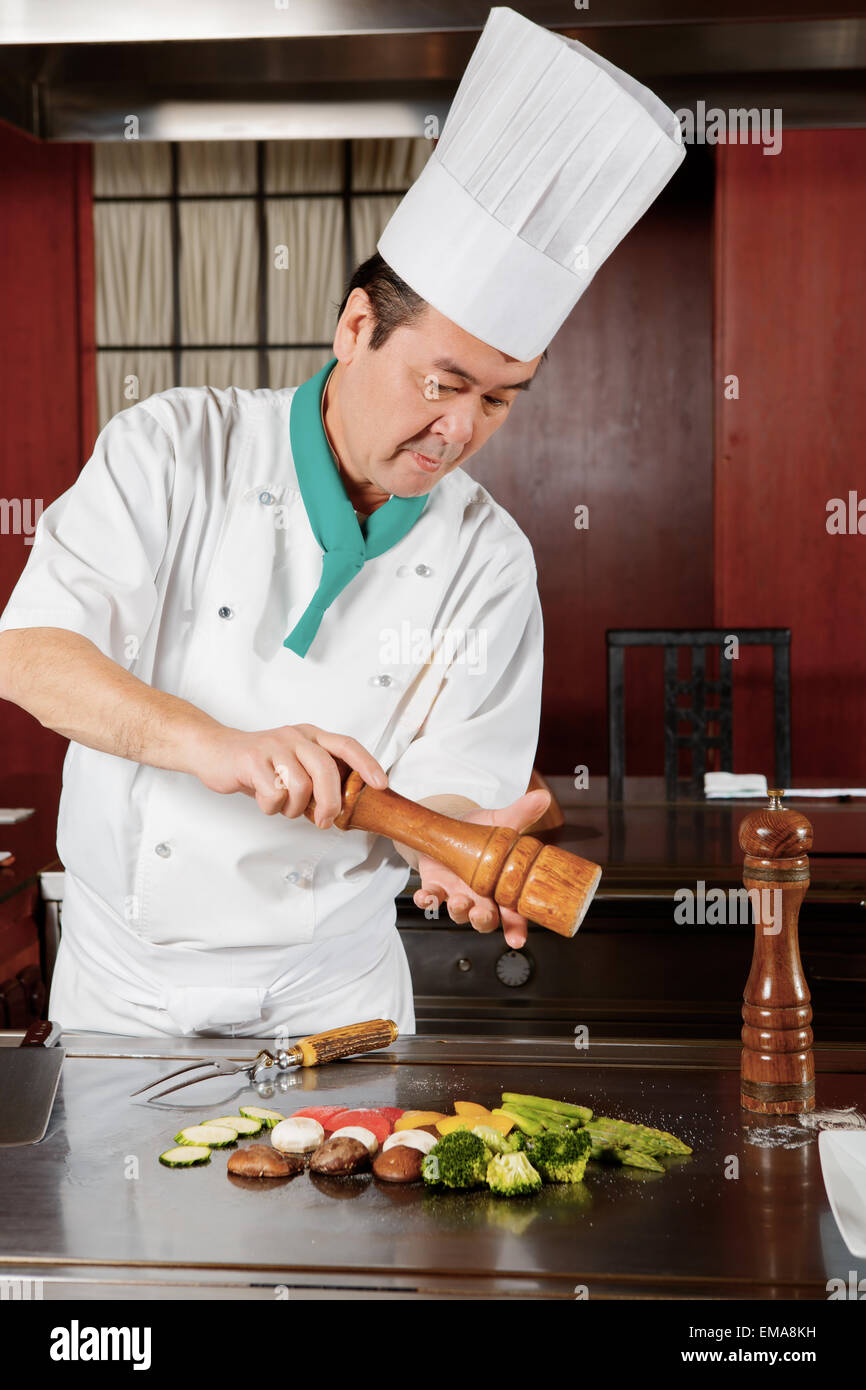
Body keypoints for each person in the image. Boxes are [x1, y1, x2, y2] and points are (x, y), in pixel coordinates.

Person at [0, 7, 685, 1037]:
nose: (457, 430)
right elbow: (29, 653)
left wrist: (458, 853)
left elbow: (452, 797)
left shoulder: (487, 562)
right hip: (126, 989)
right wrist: (212, 744)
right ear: (356, 326)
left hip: (333, 999)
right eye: (442, 382)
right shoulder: (176, 447)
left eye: (498, 400)